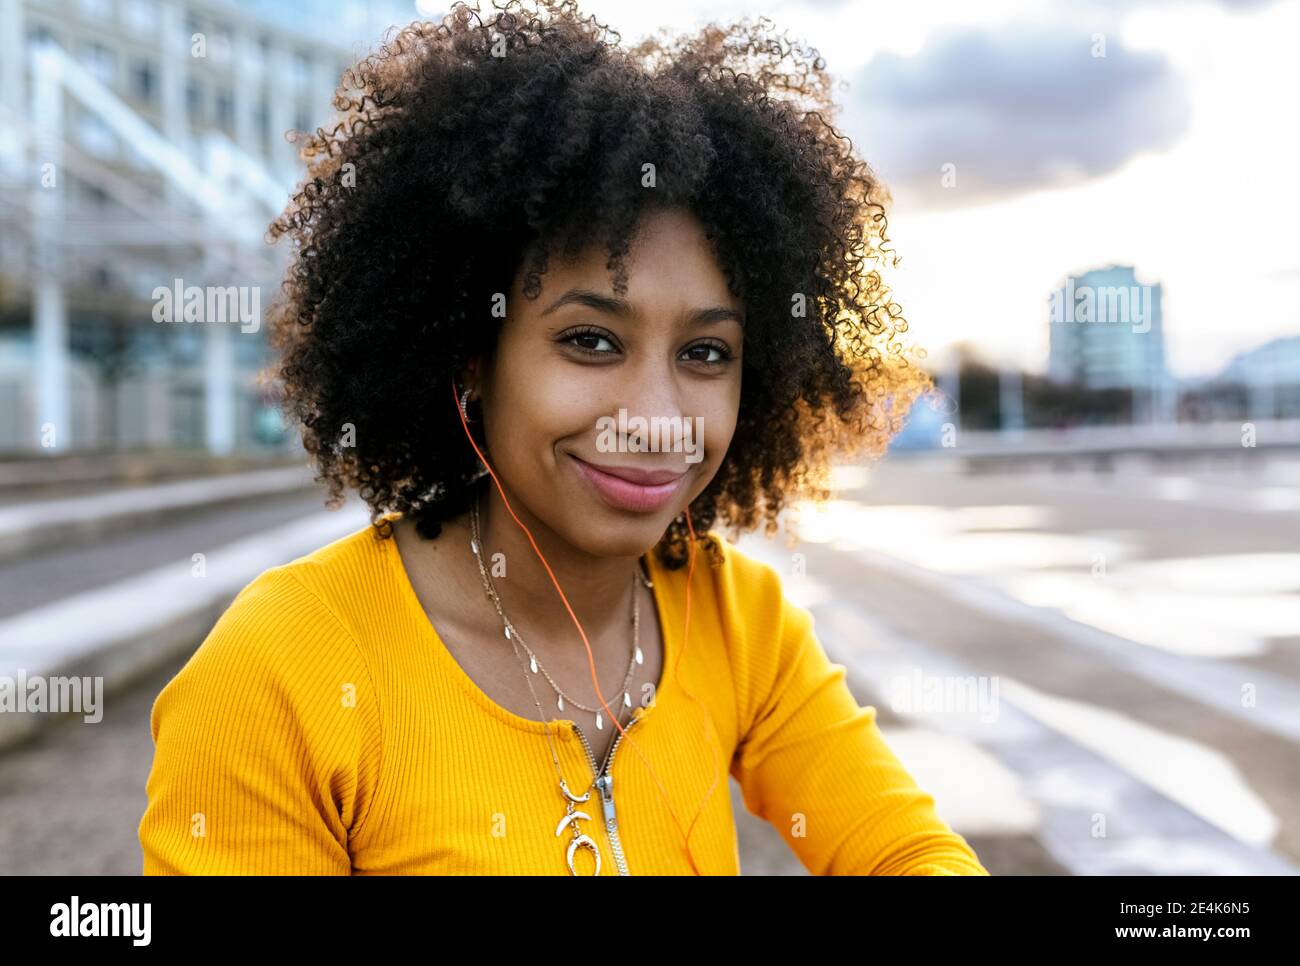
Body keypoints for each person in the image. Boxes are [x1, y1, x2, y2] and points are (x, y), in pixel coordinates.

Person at [138, 0, 988, 876]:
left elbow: (910, 853)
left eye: (705, 352)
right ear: (471, 357)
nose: (655, 418)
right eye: (590, 340)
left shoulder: (737, 623)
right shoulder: (277, 672)